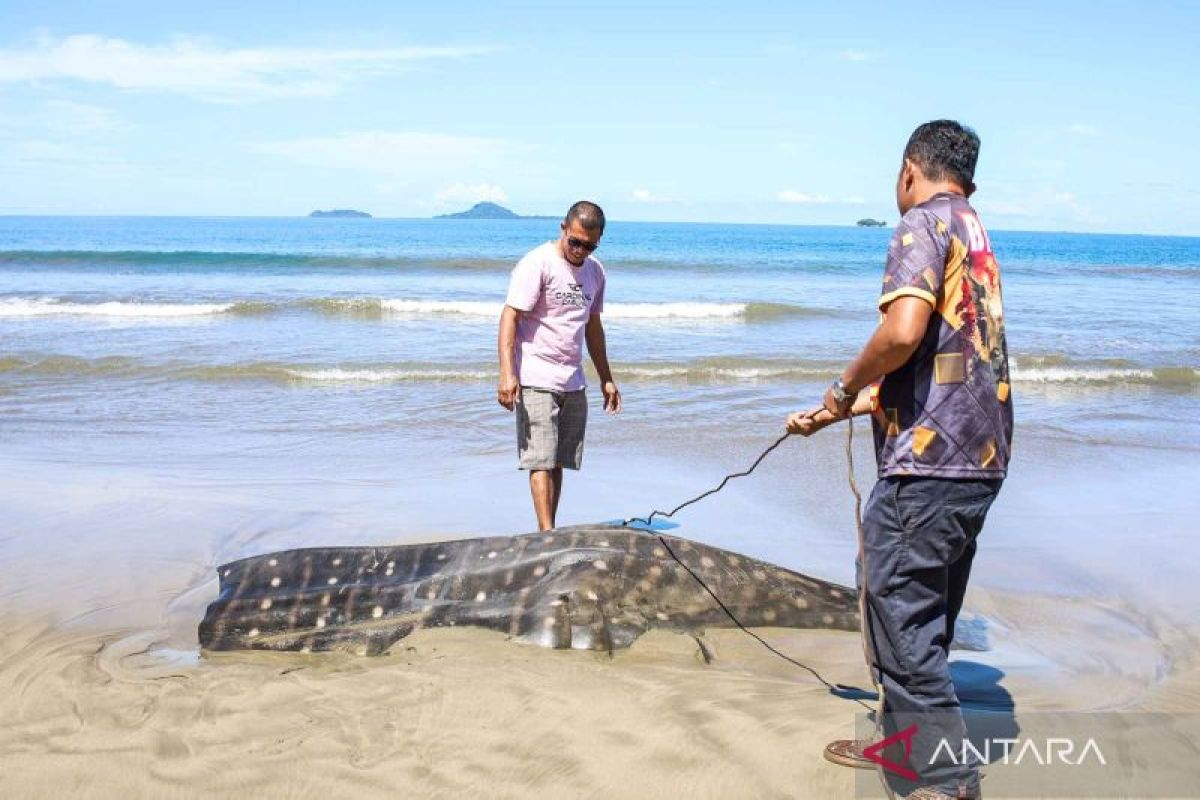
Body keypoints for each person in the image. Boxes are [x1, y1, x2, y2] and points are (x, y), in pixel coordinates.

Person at [786, 120, 1012, 800]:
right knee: (924, 616)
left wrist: (842, 385)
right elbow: (943, 366)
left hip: (928, 466)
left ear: (910, 170)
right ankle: (909, 743)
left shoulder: (920, 223)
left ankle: (943, 782)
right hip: (979, 458)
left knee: (901, 619)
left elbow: (902, 331)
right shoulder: (974, 235)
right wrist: (834, 412)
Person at [497, 201, 621, 531]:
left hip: (572, 379)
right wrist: (507, 374)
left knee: (559, 461)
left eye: (589, 245)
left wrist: (606, 379)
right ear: (563, 228)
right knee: (540, 458)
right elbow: (510, 316)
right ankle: (546, 533)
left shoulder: (595, 272)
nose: (580, 250)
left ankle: (549, 528)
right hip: (535, 374)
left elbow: (592, 327)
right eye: (575, 241)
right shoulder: (537, 263)